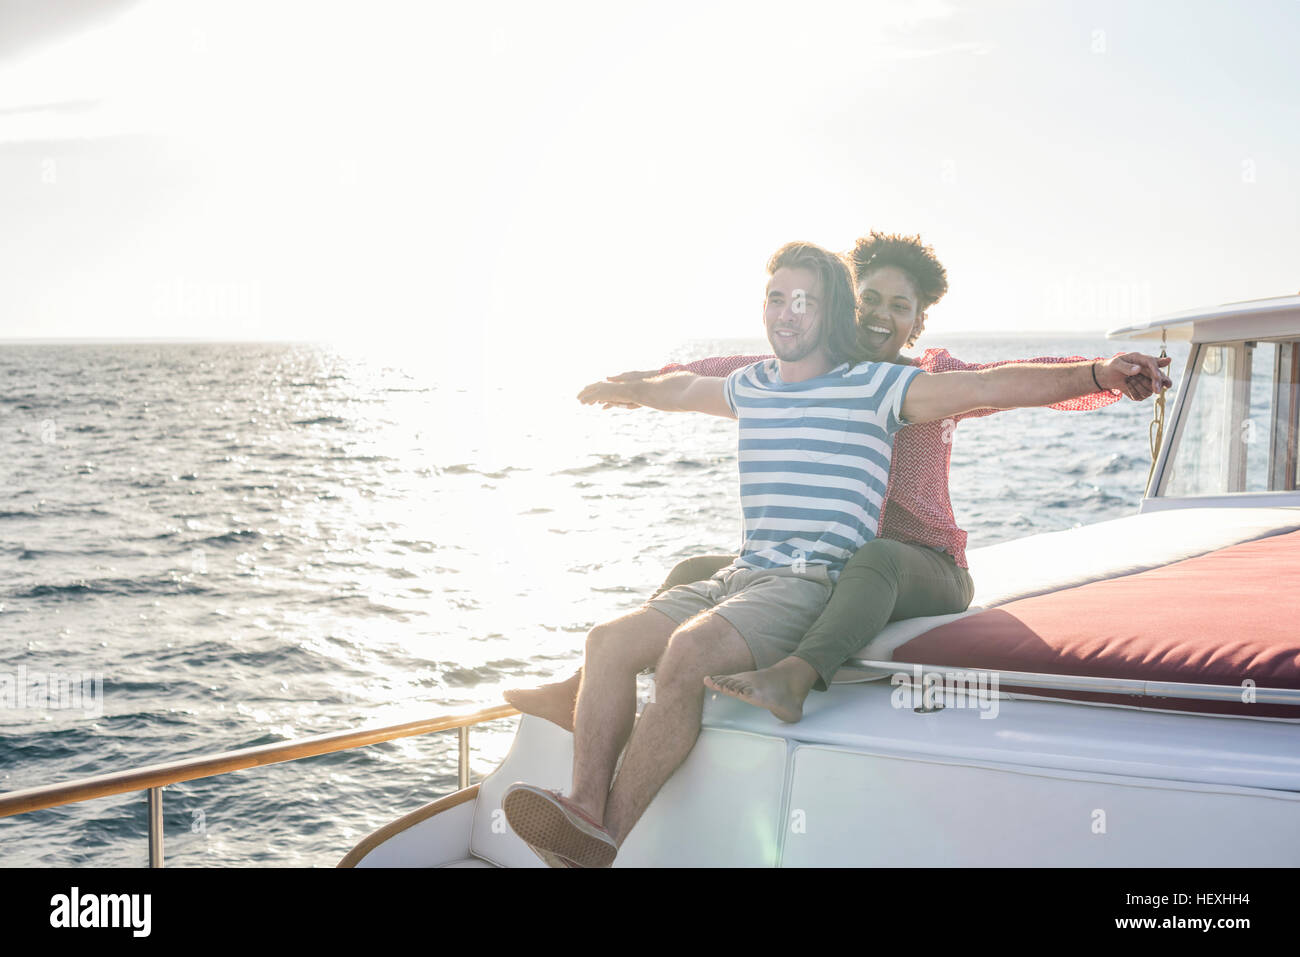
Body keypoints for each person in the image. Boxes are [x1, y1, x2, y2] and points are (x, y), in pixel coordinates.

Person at [501, 240, 1169, 867]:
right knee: (624, 628)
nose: (878, 314)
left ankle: (780, 686)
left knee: (830, 580)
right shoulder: (763, 380)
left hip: (902, 559)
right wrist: (631, 385)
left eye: (896, 305)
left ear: (913, 320)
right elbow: (691, 382)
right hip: (766, 564)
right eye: (867, 300)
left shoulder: (899, 386)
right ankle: (585, 779)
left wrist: (1100, 374)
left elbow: (997, 383)